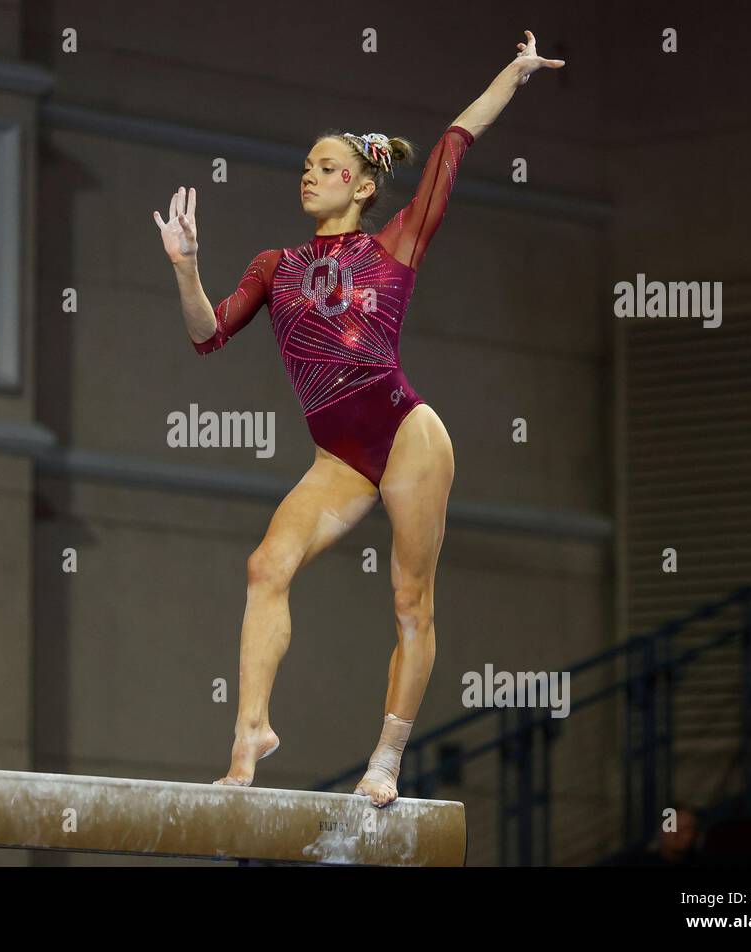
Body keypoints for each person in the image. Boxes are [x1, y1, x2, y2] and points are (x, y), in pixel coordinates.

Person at [155, 31, 564, 806]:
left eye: (327, 166)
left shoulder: (394, 246)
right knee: (263, 568)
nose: (309, 174)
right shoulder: (275, 268)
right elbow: (207, 334)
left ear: (362, 185)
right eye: (306, 165)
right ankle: (250, 734)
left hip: (406, 431)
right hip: (336, 454)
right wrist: (185, 269)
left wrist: (514, 72)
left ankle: (387, 757)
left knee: (411, 603)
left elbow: (452, 143)